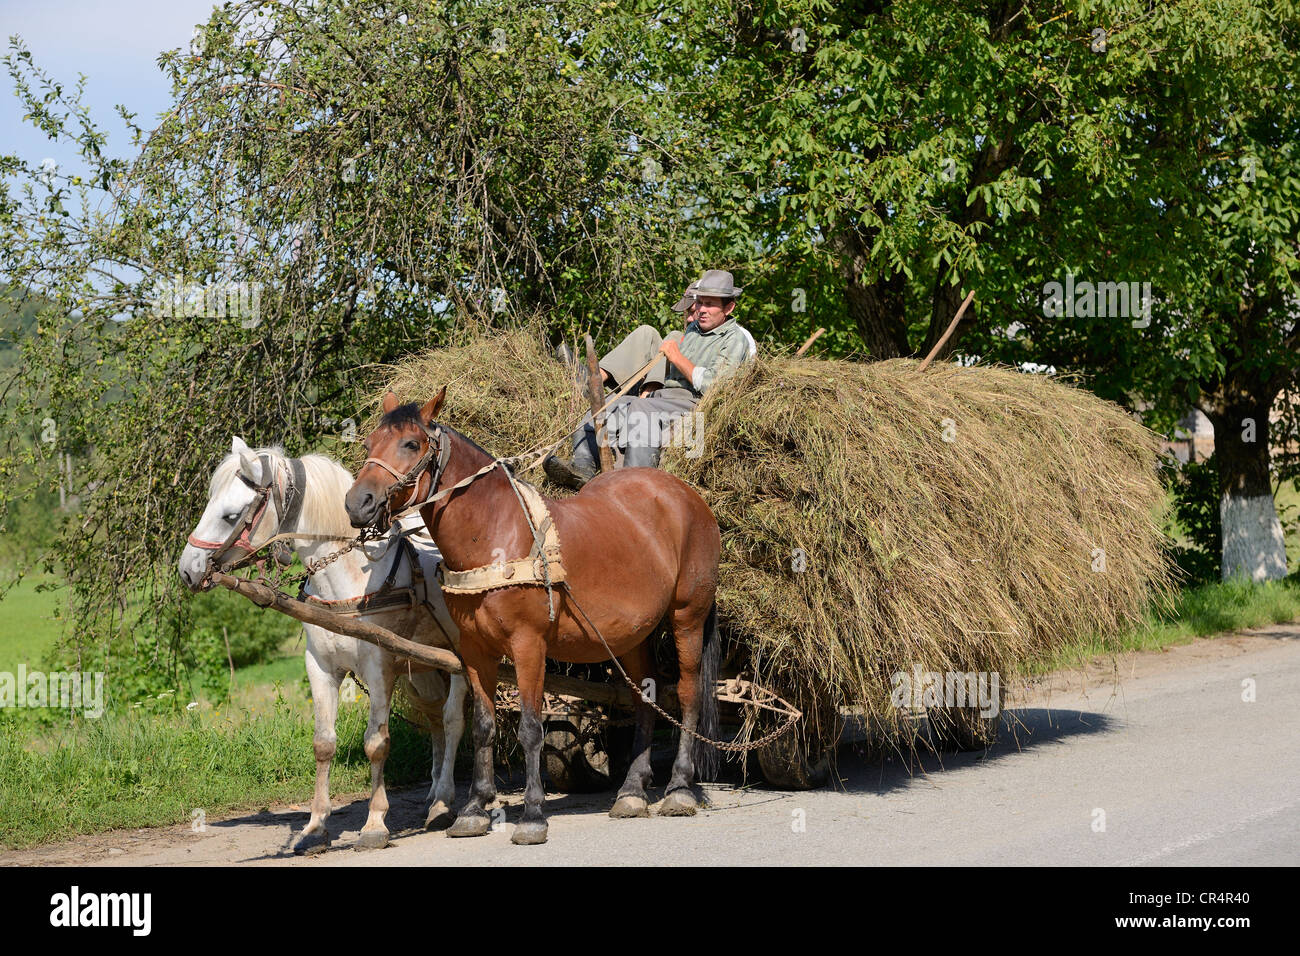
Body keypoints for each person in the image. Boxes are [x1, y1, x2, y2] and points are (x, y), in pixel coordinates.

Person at [544, 270, 755, 488]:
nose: (701, 310)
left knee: (642, 410)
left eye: (709, 304)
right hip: (664, 397)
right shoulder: (694, 329)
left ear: (728, 308)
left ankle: (633, 486)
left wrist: (678, 358)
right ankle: (583, 467)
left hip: (693, 403)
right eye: (699, 302)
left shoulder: (735, 339)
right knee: (605, 407)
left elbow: (717, 386)